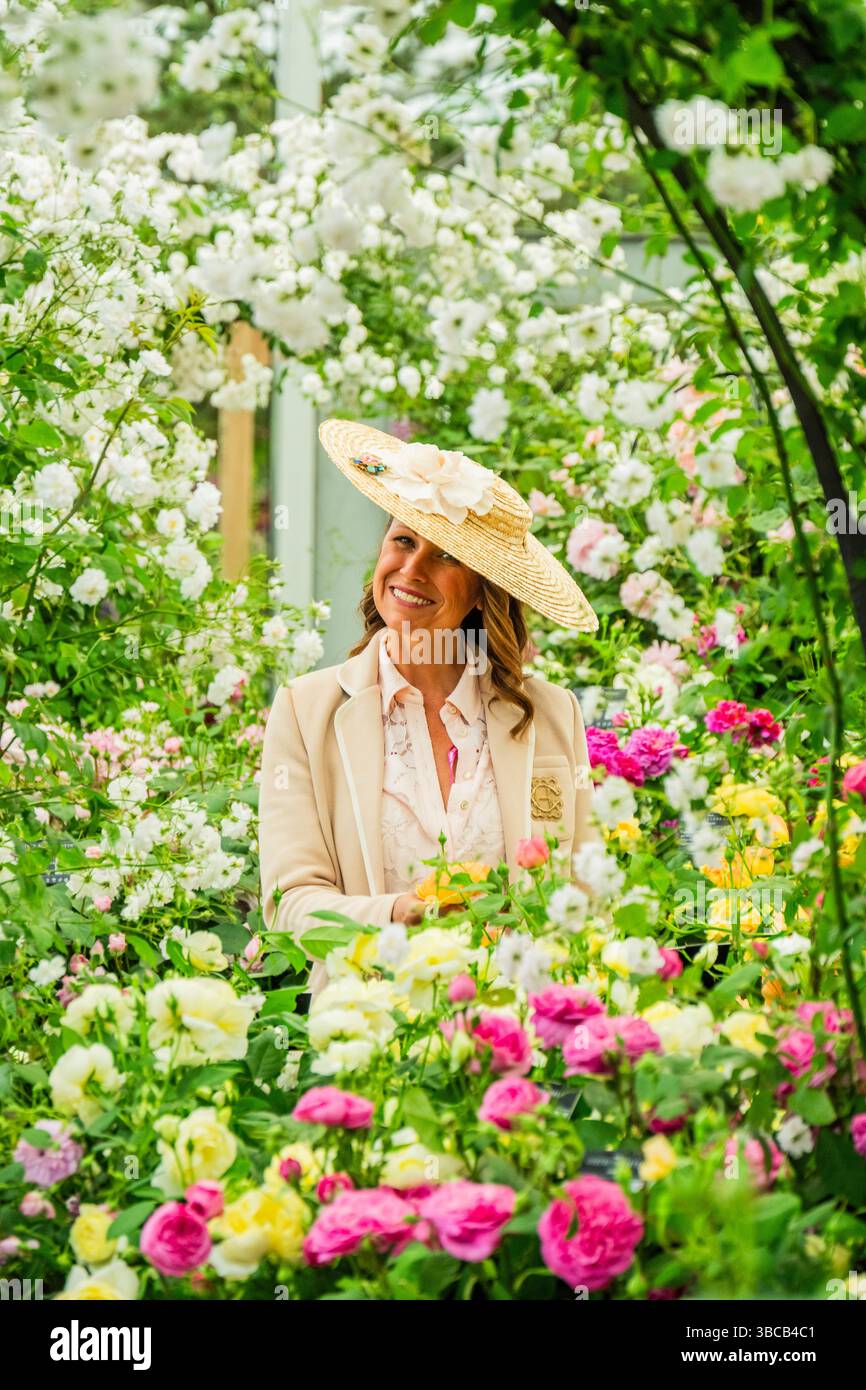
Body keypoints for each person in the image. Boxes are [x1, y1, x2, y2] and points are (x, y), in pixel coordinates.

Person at [259, 417, 599, 999]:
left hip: (517, 1043)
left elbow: (589, 896)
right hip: (363, 1034)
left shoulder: (550, 716)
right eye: (403, 540)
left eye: (445, 557)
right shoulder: (305, 711)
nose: (411, 570)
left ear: (484, 590)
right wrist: (400, 913)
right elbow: (290, 905)